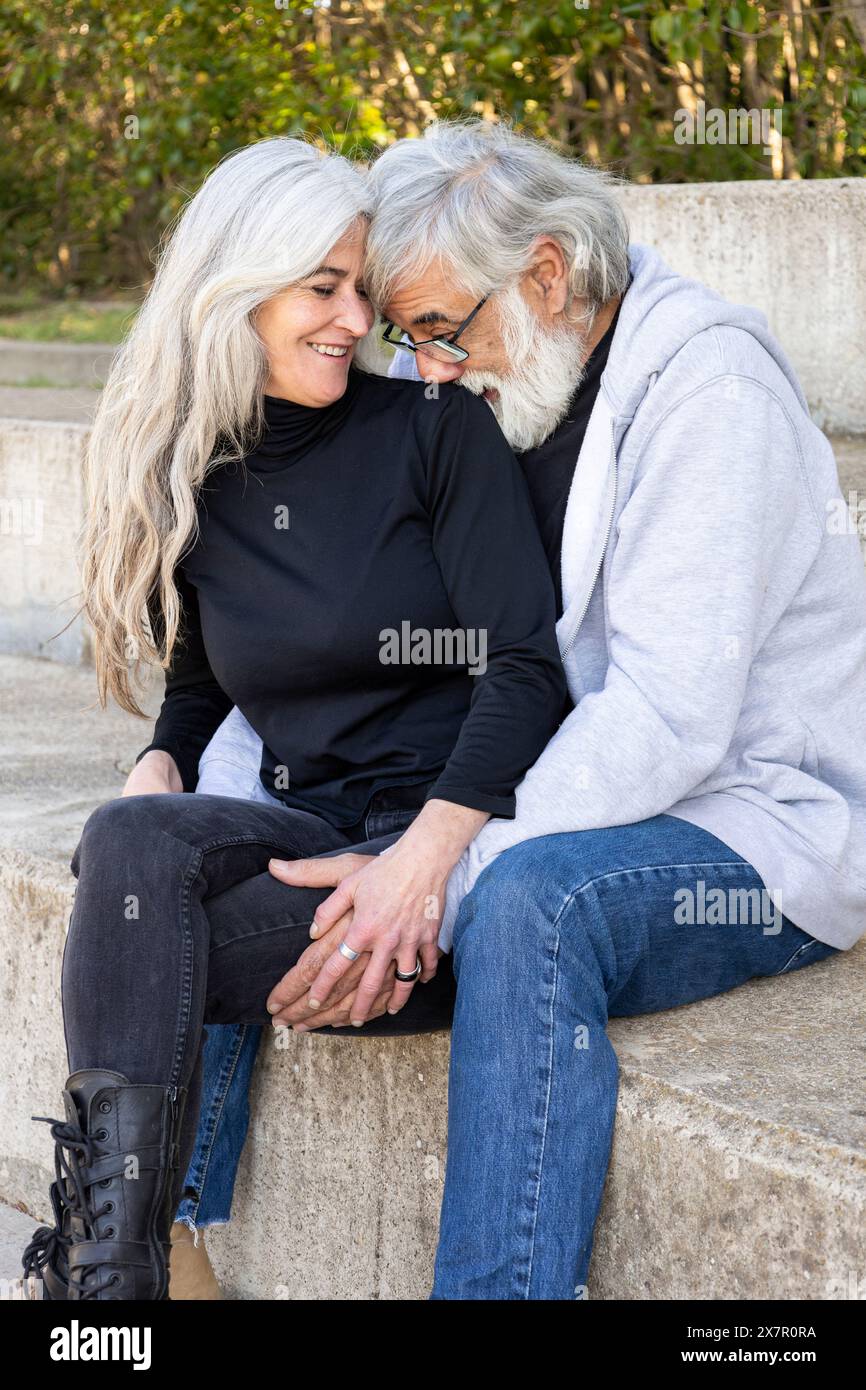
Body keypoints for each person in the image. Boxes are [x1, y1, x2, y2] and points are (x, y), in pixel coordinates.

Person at [190, 119, 866, 1300]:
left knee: (529, 907)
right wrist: (218, 787)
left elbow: (665, 715)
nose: (427, 371)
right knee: (231, 837)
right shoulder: (495, 377)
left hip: (747, 813)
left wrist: (434, 864)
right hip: (555, 779)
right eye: (408, 337)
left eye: (443, 332)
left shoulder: (709, 390)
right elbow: (346, 643)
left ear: (545, 274)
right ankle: (163, 1234)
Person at [20, 133, 566, 1301]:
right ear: (240, 288)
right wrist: (164, 759)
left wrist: (418, 862)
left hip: (436, 882)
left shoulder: (433, 431)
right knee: (126, 837)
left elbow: (523, 666)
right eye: (322, 287)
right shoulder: (203, 475)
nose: (354, 317)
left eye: (360, 287)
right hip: (305, 843)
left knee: (132, 952)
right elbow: (200, 685)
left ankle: (104, 1287)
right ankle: (114, 1277)